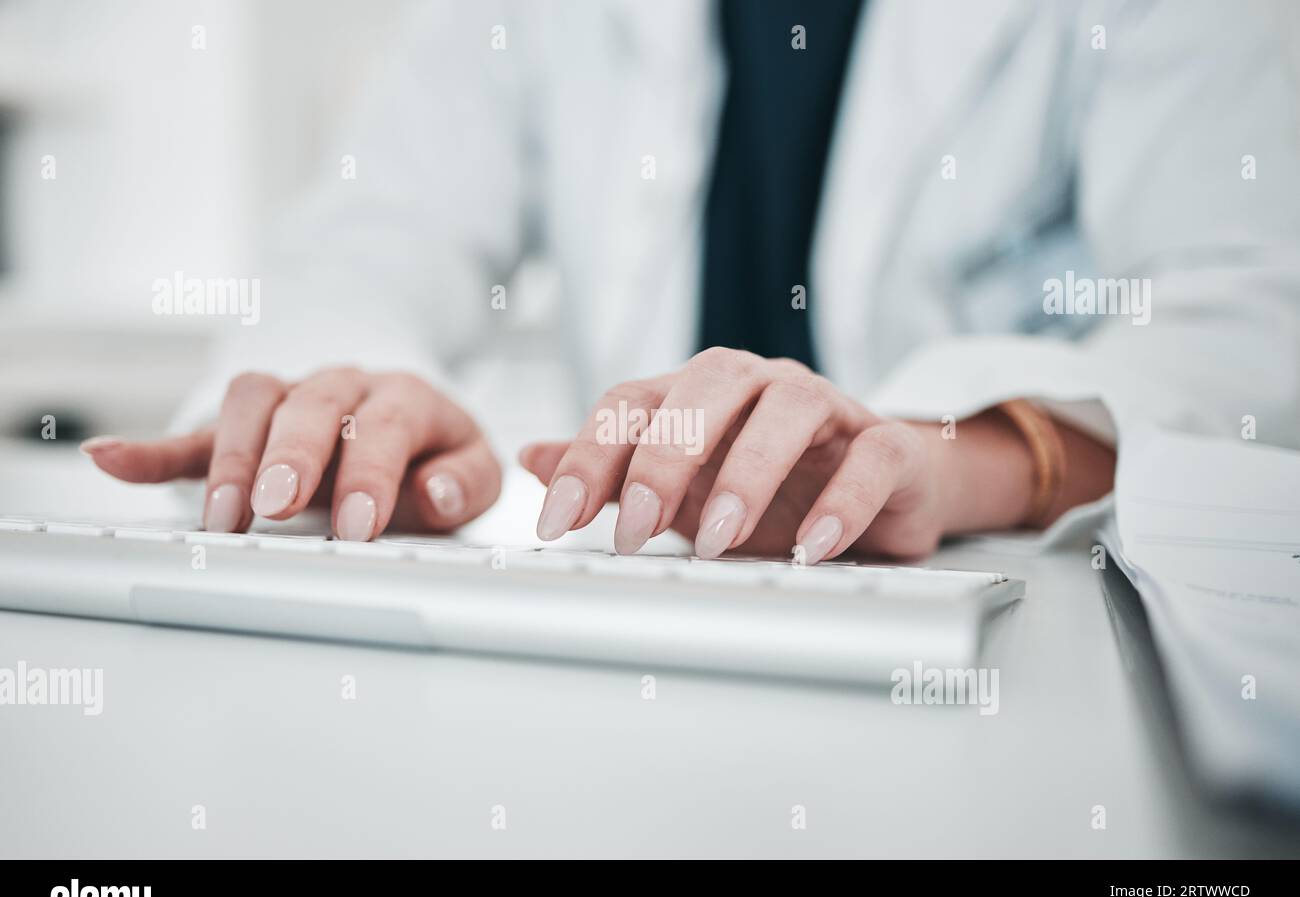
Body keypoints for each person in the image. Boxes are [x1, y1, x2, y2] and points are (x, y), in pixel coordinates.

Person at [83, 0, 1300, 563]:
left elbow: (1254, 319)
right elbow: (374, 233)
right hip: (662, 600)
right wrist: (351, 404)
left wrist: (957, 456)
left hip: (1015, 630)